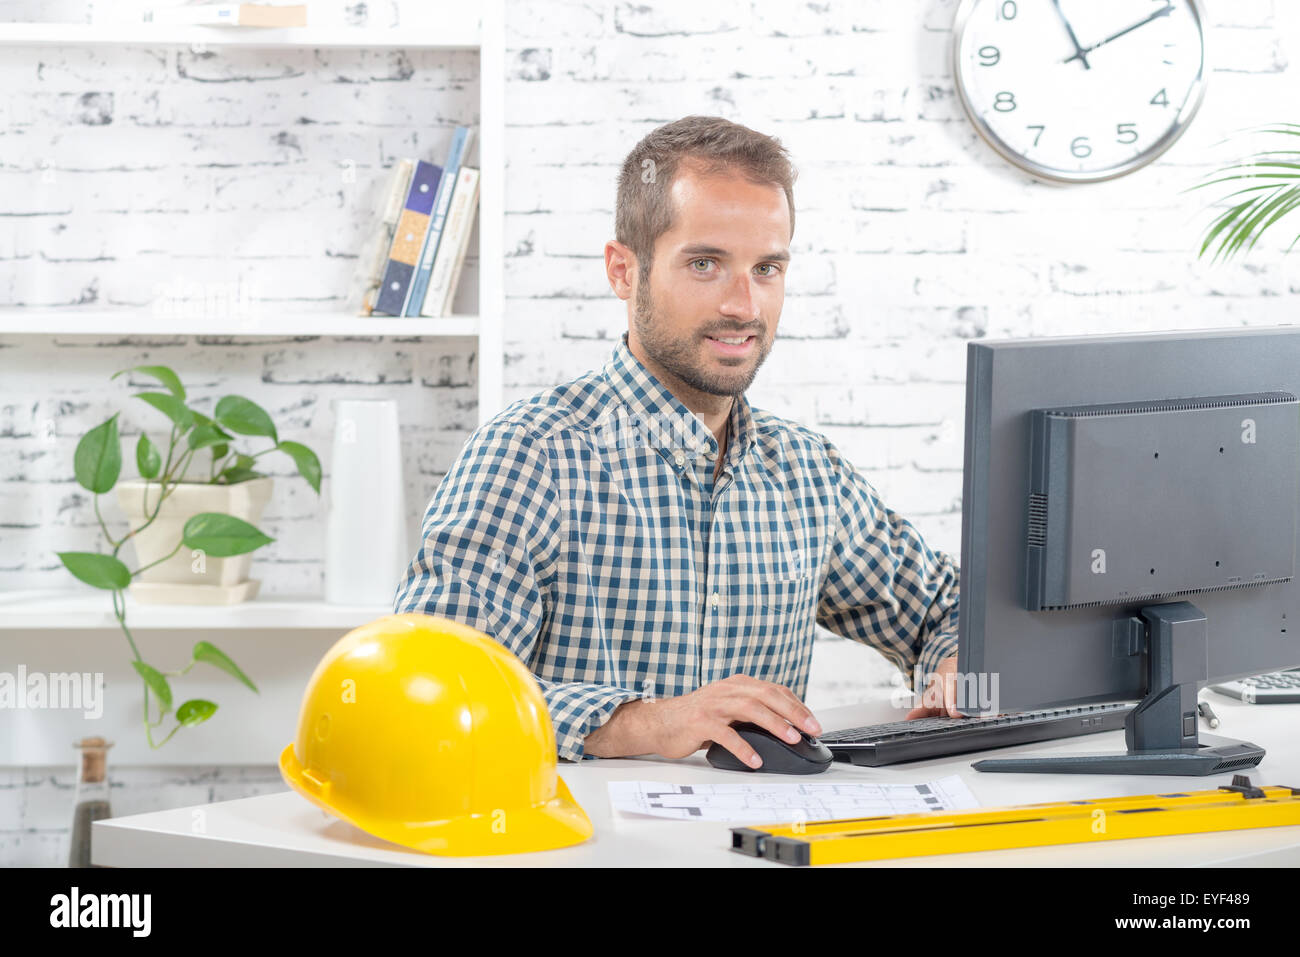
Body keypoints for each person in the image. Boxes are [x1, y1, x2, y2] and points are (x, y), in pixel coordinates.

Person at [393, 115, 964, 770]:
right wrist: (648, 722)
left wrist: (952, 664)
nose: (744, 305)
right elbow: (428, 690)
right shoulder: (530, 456)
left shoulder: (809, 473)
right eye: (705, 264)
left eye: (767, 267)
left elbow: (952, 608)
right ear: (622, 271)